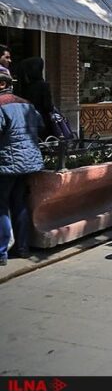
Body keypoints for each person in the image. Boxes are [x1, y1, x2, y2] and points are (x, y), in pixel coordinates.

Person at [0, 65, 44, 264]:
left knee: (1, 206)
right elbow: (40, 126)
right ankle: (23, 247)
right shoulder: (27, 104)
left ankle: (1, 252)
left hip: (6, 163)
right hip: (27, 161)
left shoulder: (0, 106)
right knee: (19, 204)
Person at [15, 57, 54, 138]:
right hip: (42, 122)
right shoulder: (44, 86)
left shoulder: (23, 87)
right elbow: (48, 106)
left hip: (26, 121)